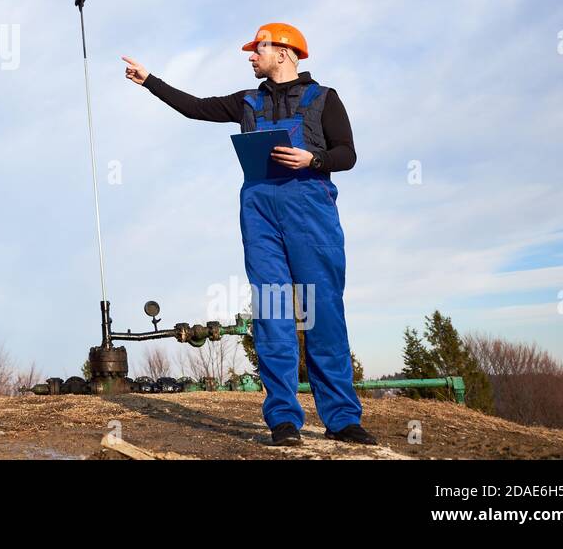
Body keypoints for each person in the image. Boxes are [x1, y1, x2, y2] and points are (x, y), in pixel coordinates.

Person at [122, 23, 376, 447]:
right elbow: (195, 107)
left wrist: (313, 159)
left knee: (323, 312)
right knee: (272, 313)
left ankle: (342, 419)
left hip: (310, 210)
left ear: (286, 52)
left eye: (259, 48)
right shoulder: (247, 101)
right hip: (259, 212)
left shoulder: (325, 99)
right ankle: (283, 420)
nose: (251, 56)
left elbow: (347, 153)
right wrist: (150, 81)